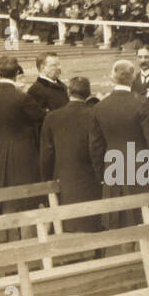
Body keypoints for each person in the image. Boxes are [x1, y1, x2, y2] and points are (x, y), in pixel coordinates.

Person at [88, 60, 149, 230]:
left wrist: (101, 174)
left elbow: (96, 146)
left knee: (118, 220)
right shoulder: (141, 103)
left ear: (113, 78)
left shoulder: (99, 107)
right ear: (133, 78)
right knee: (142, 218)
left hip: (113, 167)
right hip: (140, 165)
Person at [0, 55, 45, 212]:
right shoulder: (22, 98)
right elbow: (42, 119)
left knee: (8, 203)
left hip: (1, 156)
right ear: (16, 74)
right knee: (29, 202)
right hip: (26, 155)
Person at [40, 77, 103, 231]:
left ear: (69, 92)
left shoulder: (52, 117)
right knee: (93, 228)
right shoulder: (95, 115)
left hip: (65, 180)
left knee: (68, 227)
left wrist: (47, 180)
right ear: (89, 93)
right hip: (91, 181)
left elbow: (46, 155)